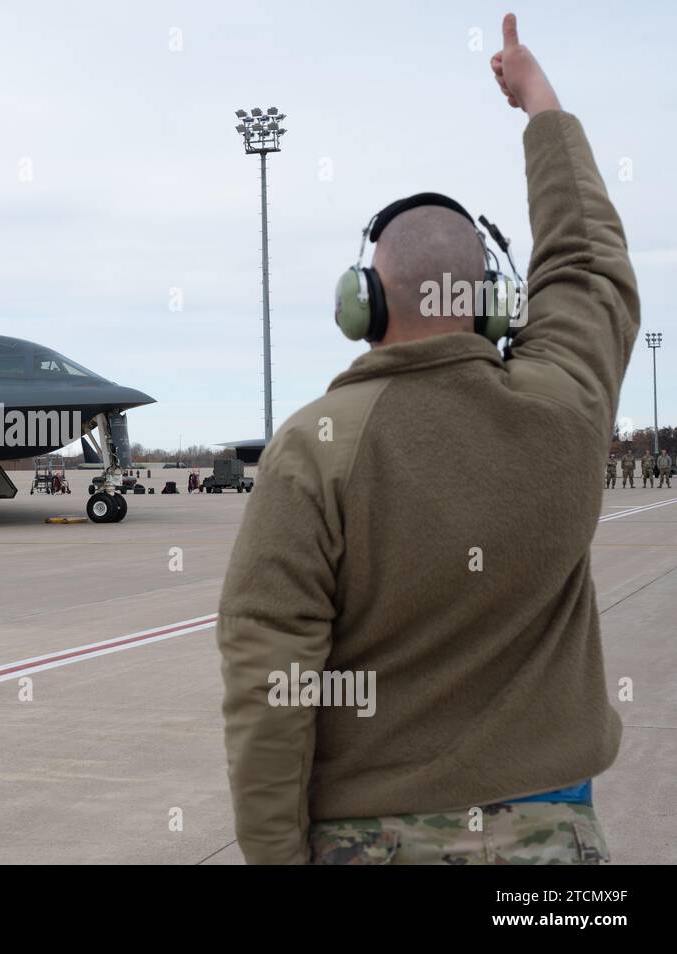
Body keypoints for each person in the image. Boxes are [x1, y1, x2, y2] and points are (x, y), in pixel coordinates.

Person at [216, 14, 635, 865]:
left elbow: (272, 689)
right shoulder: (567, 408)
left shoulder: (311, 450)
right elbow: (587, 262)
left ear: (359, 304)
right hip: (553, 847)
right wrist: (539, 105)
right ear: (493, 305)